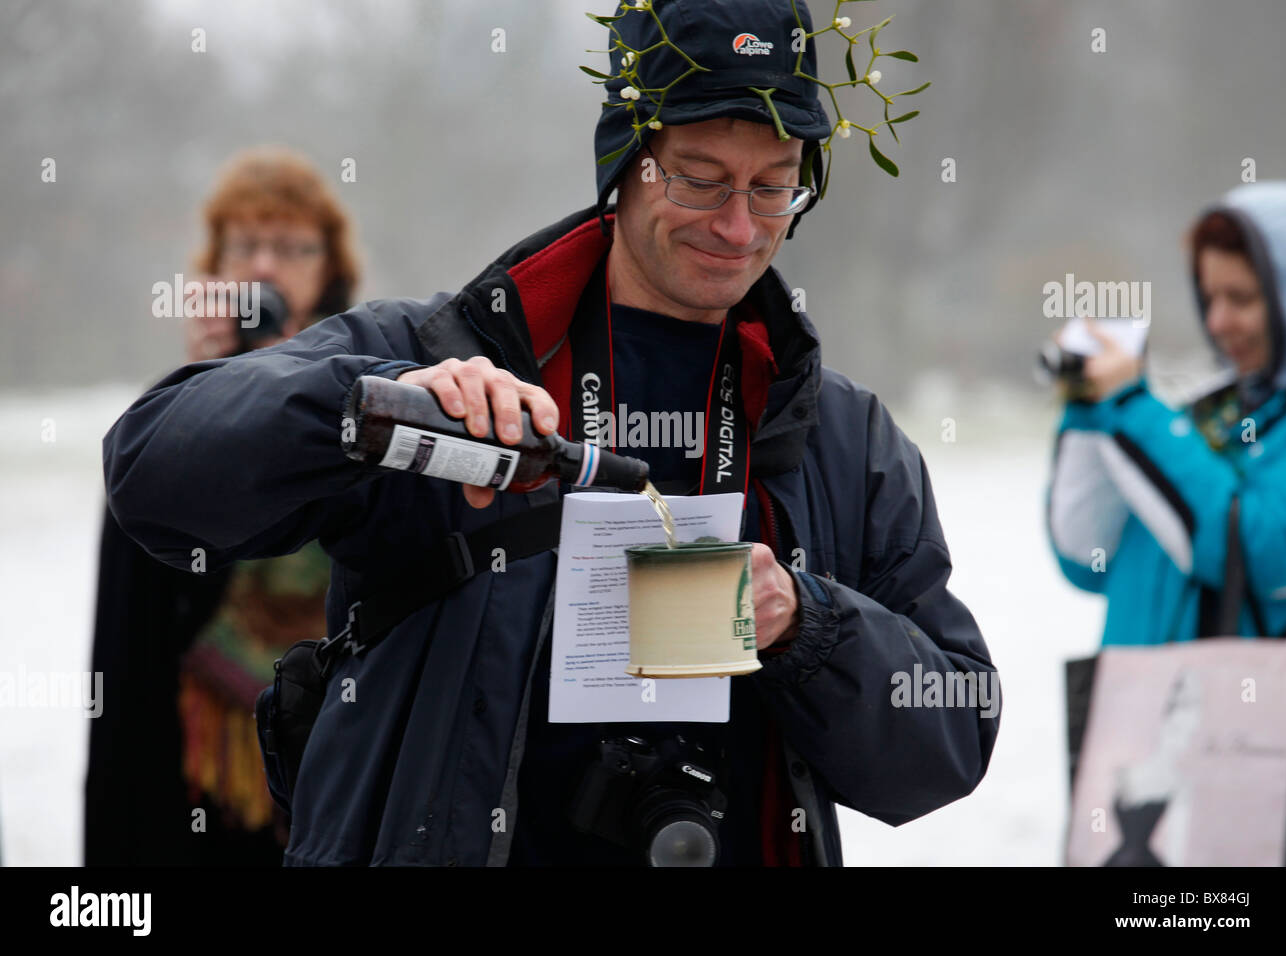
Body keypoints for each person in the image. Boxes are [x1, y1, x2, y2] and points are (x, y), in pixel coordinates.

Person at [102, 0, 999, 867]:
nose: (738, 227)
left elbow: (953, 735)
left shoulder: (844, 436)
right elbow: (150, 465)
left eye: (774, 189)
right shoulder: (440, 361)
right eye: (699, 178)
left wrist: (809, 624)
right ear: (626, 159)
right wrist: (369, 404)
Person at [85, 146, 361, 865]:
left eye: (291, 246)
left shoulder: (371, 406)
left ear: (329, 270)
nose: (266, 267)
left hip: (338, 755)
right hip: (198, 777)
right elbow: (128, 643)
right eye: (246, 245)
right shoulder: (162, 422)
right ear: (214, 270)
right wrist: (203, 393)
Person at [1048, 181, 1286, 645]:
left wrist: (1130, 405)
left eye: (1240, 298)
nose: (1217, 323)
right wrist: (1092, 411)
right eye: (1210, 299)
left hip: (1244, 714)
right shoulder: (1211, 414)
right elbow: (1088, 559)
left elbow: (1264, 556)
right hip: (1133, 709)